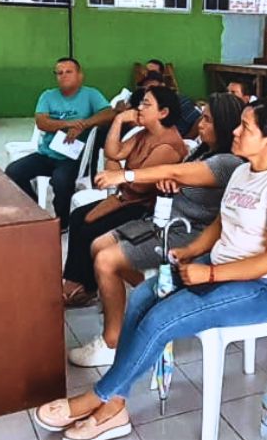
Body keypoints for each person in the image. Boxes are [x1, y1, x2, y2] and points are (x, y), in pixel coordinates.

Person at [33, 99, 267, 440]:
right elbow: (222, 222)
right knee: (144, 297)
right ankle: (115, 407)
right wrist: (193, 251)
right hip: (216, 265)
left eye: (246, 127)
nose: (236, 132)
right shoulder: (244, 171)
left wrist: (210, 275)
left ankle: (99, 398)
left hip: (258, 288)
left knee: (161, 319)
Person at [69, 93, 246, 367]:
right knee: (97, 245)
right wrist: (173, 185)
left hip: (190, 232)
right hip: (166, 221)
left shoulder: (228, 162)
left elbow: (173, 172)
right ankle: (151, 297)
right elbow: (181, 176)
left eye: (208, 120)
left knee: (106, 260)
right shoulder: (203, 150)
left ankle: (112, 342)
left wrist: (125, 175)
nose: (200, 124)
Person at [60, 86, 189, 305]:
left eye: (147, 104)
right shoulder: (145, 133)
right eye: (140, 103)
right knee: (77, 216)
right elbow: (113, 152)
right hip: (126, 198)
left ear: (163, 113)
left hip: (145, 208)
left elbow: (139, 187)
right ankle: (78, 282)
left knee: (91, 228)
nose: (139, 108)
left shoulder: (167, 145)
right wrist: (119, 119)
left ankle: (85, 287)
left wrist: (116, 174)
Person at [4, 58, 114, 221]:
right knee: (13, 171)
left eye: (69, 72)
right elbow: (41, 122)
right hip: (47, 154)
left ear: (80, 75)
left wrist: (83, 125)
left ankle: (62, 221)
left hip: (73, 157)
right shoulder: (48, 96)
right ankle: (36, 212)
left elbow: (109, 113)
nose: (64, 76)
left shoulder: (91, 94)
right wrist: (68, 124)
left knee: (61, 182)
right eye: (59, 73)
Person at [147, 59, 202, 138]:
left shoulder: (179, 101)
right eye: (147, 72)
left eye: (153, 73)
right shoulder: (142, 100)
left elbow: (199, 120)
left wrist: (187, 139)